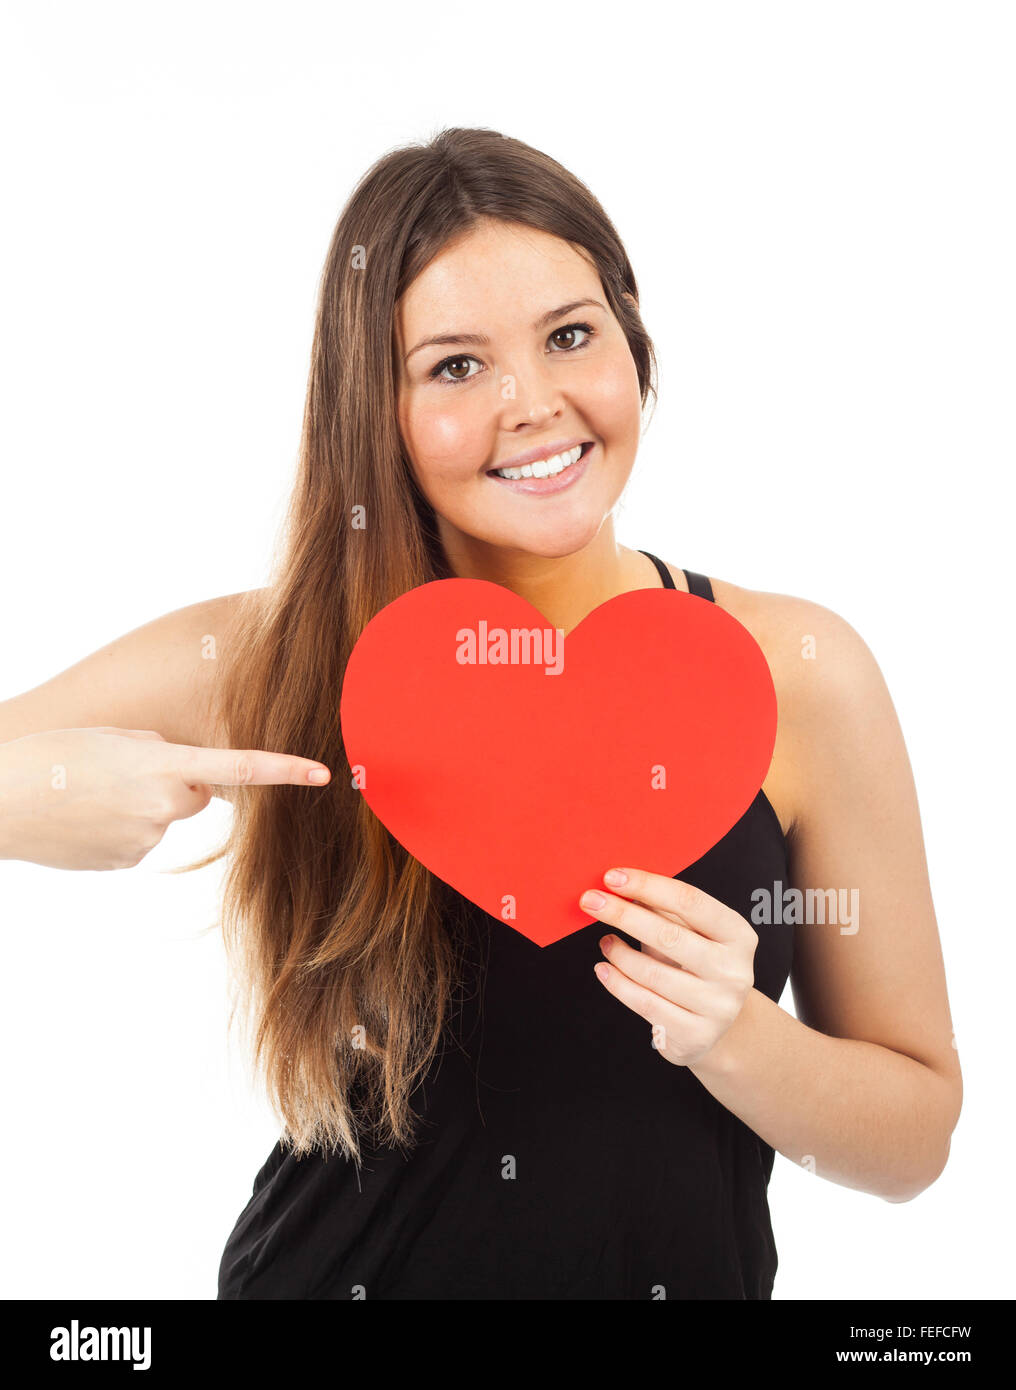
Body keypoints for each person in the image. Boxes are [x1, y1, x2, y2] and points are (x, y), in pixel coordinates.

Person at [0, 127, 962, 1300]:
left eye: (569, 335)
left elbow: (914, 1142)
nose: (534, 404)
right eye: (456, 366)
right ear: (381, 409)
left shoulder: (798, 674)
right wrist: (36, 792)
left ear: (633, 342)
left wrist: (738, 1038)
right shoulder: (293, 656)